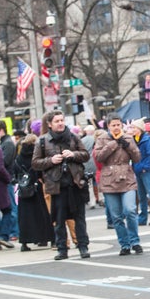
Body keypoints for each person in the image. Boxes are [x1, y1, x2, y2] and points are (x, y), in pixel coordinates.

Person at [32, 110, 91, 261]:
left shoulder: (73, 137)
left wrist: (73, 155)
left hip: (75, 183)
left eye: (62, 120)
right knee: (59, 220)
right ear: (50, 124)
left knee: (79, 218)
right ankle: (62, 248)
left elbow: (85, 155)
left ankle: (83, 246)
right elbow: (35, 163)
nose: (60, 123)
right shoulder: (43, 141)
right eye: (57, 121)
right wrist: (51, 161)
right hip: (56, 186)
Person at [94, 115, 143, 256]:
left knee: (130, 210)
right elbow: (98, 157)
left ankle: (135, 241)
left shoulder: (127, 137)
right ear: (108, 126)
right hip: (109, 180)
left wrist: (129, 147)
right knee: (116, 216)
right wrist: (113, 144)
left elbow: (137, 157)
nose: (116, 128)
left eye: (118, 125)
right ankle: (125, 244)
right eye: (113, 125)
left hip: (126, 178)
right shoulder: (102, 139)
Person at [14, 134, 53, 251]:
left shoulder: (19, 157)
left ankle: (24, 242)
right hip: (36, 187)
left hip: (24, 188)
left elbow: (15, 172)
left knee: (25, 216)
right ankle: (44, 238)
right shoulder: (36, 155)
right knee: (41, 214)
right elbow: (40, 170)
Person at [131, 119, 150, 227]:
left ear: (139, 129)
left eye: (134, 127)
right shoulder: (134, 139)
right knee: (141, 196)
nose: (132, 130)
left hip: (146, 171)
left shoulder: (146, 139)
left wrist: (144, 167)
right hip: (138, 170)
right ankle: (142, 218)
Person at [0, 120, 18, 243]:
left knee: (10, 206)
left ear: (1, 130)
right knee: (9, 206)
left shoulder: (7, 143)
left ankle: (13, 231)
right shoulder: (4, 143)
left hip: (7, 179)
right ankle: (11, 231)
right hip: (5, 179)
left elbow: (5, 161)